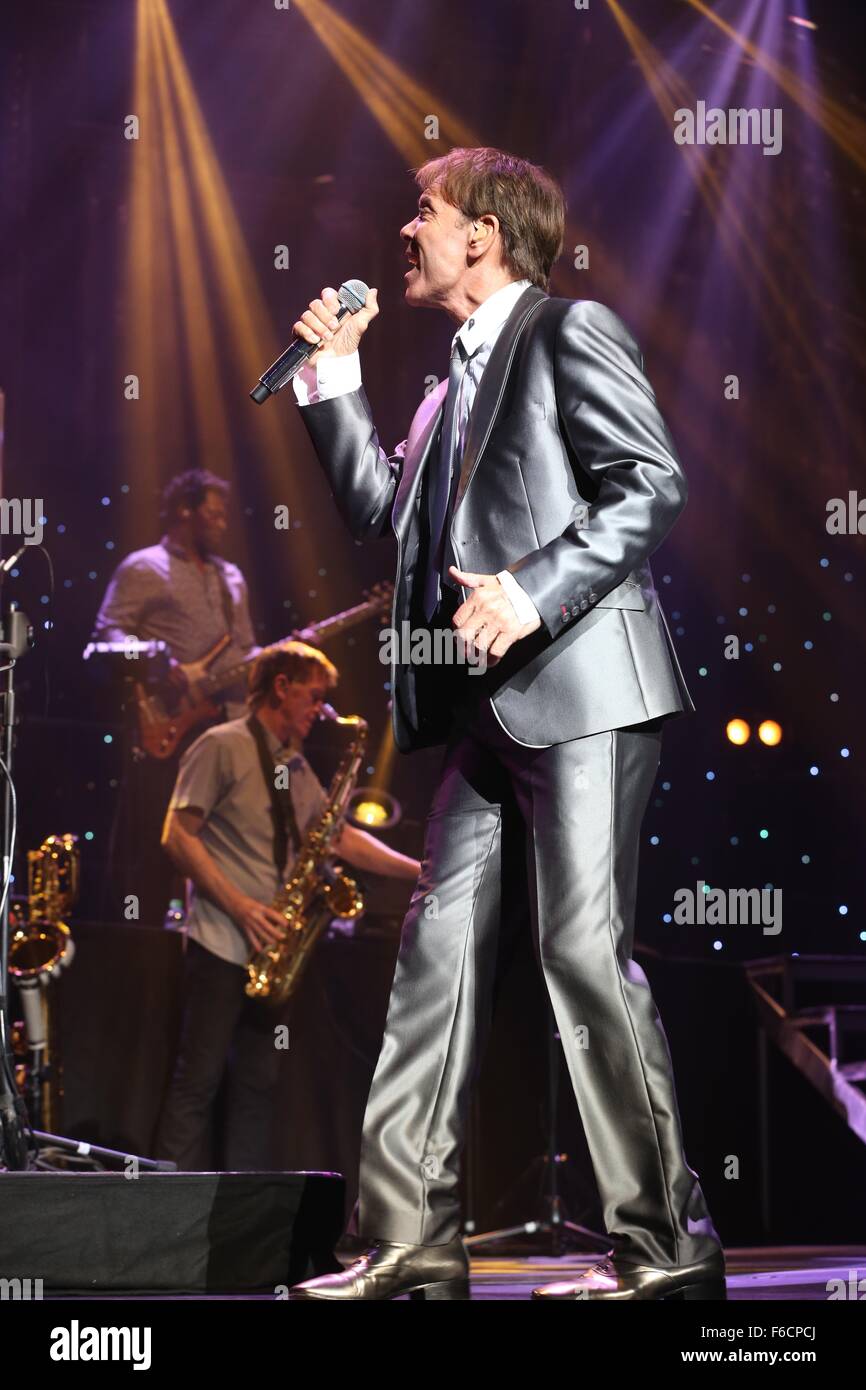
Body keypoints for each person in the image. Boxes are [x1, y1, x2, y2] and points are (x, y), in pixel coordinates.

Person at [286, 147, 725, 1301]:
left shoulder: (566, 333)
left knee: (579, 951)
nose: (403, 232)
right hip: (484, 714)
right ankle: (409, 1240)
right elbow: (385, 523)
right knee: (431, 956)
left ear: (480, 231)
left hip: (583, 686)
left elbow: (649, 483)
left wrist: (528, 587)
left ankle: (665, 1246)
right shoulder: (440, 389)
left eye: (420, 212)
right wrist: (331, 379)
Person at [153, 641, 421, 1171]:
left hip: (274, 952)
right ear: (282, 686)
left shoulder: (294, 765)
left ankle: (243, 1225)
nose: (320, 710)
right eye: (314, 696)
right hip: (222, 941)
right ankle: (161, 1221)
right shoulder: (221, 745)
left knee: (258, 1086)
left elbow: (337, 839)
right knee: (198, 1083)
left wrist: (421, 870)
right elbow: (176, 836)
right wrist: (241, 907)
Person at [92, 470, 261, 925]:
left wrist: (285, 658)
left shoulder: (231, 578)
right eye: (214, 514)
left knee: (219, 838)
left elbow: (245, 650)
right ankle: (144, 940)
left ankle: (204, 931)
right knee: (158, 840)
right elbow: (108, 633)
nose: (223, 523)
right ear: (185, 512)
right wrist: (162, 663)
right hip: (167, 723)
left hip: (224, 724)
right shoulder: (144, 567)